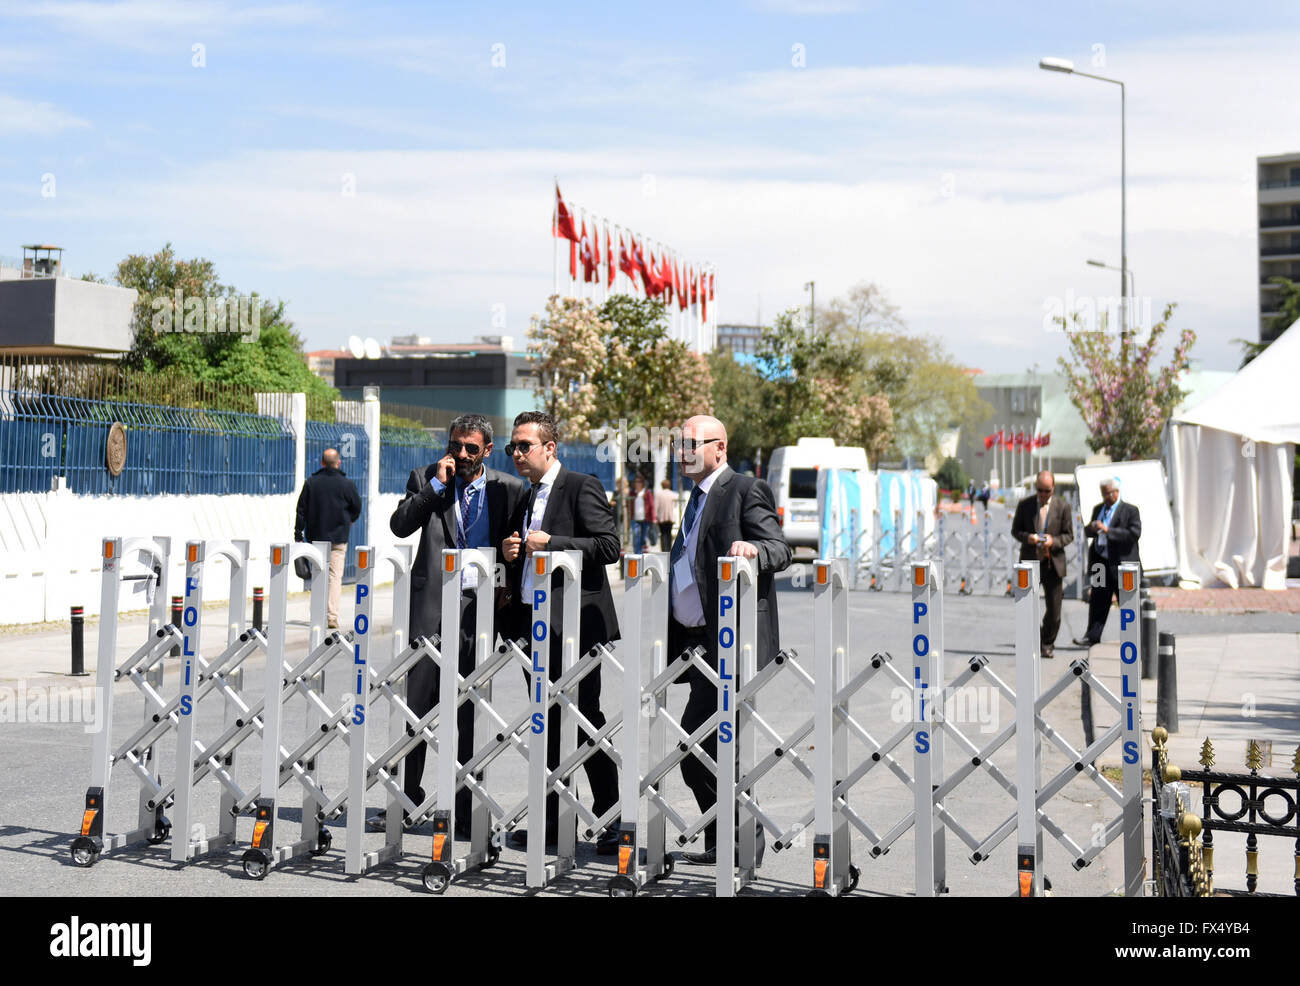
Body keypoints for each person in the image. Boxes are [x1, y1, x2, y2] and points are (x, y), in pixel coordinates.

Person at [385, 413, 528, 832]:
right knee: (417, 702)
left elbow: (516, 547)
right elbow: (401, 524)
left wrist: (506, 583)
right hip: (431, 604)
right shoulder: (426, 477)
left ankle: (463, 808)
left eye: (470, 448)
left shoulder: (511, 488)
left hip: (482, 607)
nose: (461, 454)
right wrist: (435, 487)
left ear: (486, 449)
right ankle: (406, 799)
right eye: (455, 446)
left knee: (470, 709)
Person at [668, 414, 791, 866]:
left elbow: (781, 548)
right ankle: (728, 844)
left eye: (692, 443)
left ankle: (741, 847)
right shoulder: (696, 498)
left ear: (720, 447)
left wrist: (754, 550)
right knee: (701, 750)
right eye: (679, 443)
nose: (683, 451)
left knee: (709, 750)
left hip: (732, 642)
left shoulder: (743, 489)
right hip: (697, 644)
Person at [500, 411, 620, 854]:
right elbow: (521, 554)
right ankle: (553, 824)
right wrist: (511, 551)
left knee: (586, 722)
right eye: (512, 445)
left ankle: (612, 819)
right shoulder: (524, 495)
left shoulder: (580, 486)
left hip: (577, 628)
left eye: (524, 445)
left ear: (550, 448)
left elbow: (609, 546)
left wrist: (551, 543)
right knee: (545, 726)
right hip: (535, 625)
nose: (516, 453)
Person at [293, 448, 361, 629]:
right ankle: (331, 616)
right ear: (338, 463)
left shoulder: (311, 483)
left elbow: (301, 510)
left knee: (317, 576)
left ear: (322, 463)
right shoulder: (347, 484)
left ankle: (316, 614)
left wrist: (298, 535)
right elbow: (357, 507)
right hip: (339, 539)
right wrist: (350, 520)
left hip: (316, 539)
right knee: (334, 577)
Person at [1010, 471, 1074, 658]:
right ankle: (1034, 639)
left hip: (1052, 563)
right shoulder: (1025, 505)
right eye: (1039, 490)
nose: (1043, 494)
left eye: (1047, 491)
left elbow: (1069, 535)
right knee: (1027, 606)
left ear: (1053, 488)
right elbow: (1016, 530)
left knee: (1054, 611)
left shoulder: (1063, 507)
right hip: (1030, 561)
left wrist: (1053, 541)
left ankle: (1047, 642)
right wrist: (1028, 538)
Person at [1073, 477, 1142, 647]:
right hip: (1100, 564)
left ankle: (1135, 637)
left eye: (1108, 494)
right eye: (1103, 494)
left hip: (1121, 565)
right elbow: (1088, 531)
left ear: (1116, 492)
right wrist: (1093, 528)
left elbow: (1134, 533)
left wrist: (1108, 530)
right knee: (1097, 600)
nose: (1105, 497)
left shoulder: (1130, 510)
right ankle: (1092, 636)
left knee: (1127, 602)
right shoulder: (1099, 509)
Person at [630, 473, 656, 553]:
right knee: (636, 537)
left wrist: (654, 518)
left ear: (643, 483)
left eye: (639, 482)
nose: (637, 483)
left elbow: (652, 505)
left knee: (644, 538)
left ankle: (643, 556)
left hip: (645, 519)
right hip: (635, 519)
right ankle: (637, 555)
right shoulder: (632, 493)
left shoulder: (647, 493)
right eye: (636, 482)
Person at [654, 478, 676, 552]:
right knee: (669, 533)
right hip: (670, 517)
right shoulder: (673, 494)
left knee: (663, 533)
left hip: (662, 517)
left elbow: (656, 506)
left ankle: (664, 549)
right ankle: (669, 549)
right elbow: (675, 505)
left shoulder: (659, 495)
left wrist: (655, 516)